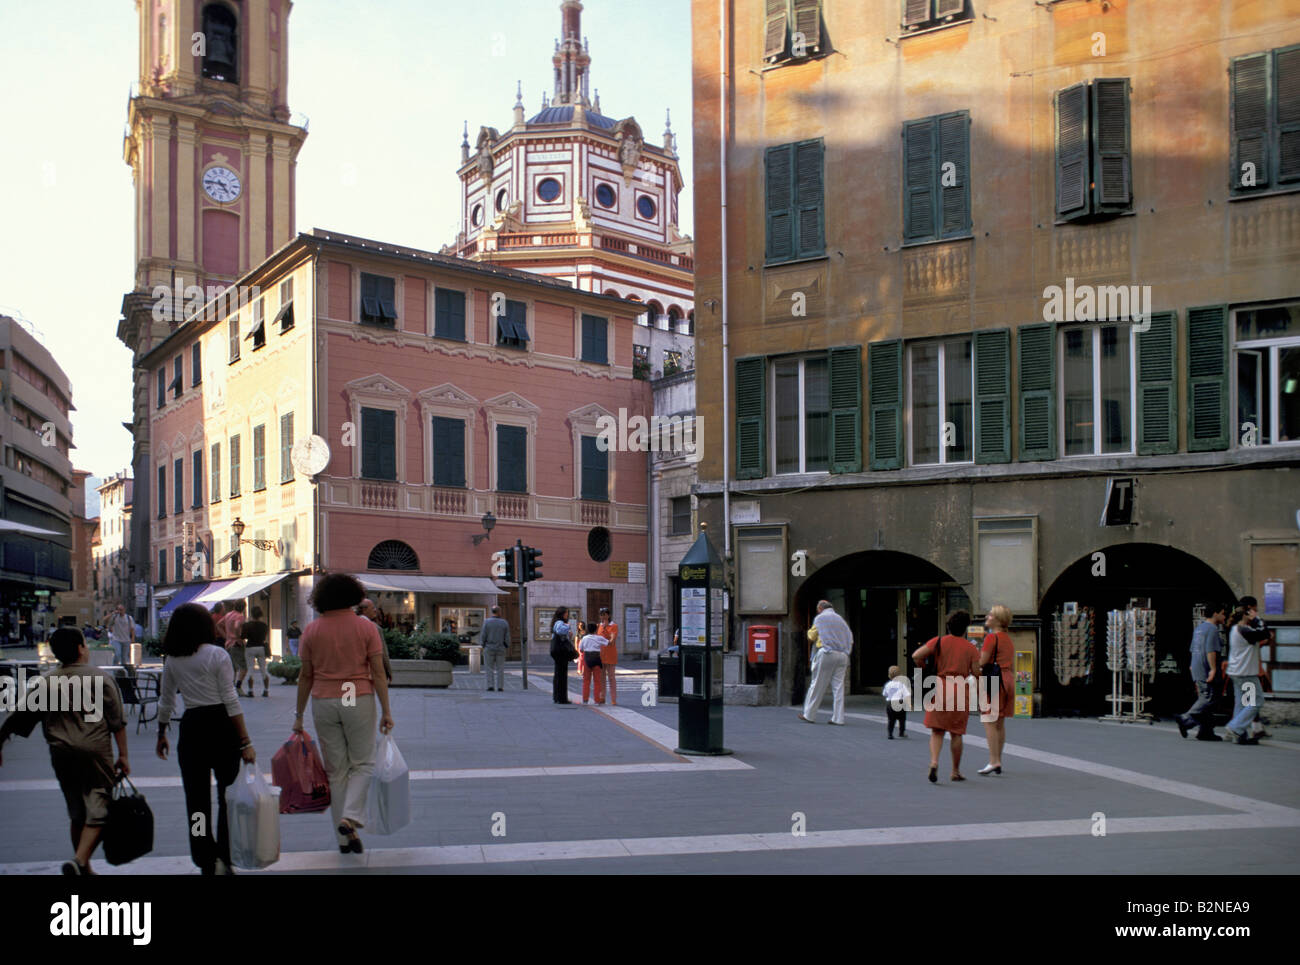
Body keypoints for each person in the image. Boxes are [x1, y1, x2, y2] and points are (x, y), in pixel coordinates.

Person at [0, 627, 128, 876]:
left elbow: (18, 717)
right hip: (95, 753)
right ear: (81, 648)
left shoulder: (46, 681)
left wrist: (0, 742)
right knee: (100, 809)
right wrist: (123, 755)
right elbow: (117, 722)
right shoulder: (100, 678)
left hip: (61, 754)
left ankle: (85, 869)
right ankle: (80, 861)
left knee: (77, 810)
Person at [296, 574, 394, 855]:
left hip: (323, 700)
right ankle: (350, 817)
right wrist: (386, 710)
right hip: (355, 694)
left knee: (336, 771)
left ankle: (343, 840)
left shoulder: (312, 630)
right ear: (353, 595)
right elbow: (377, 672)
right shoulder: (365, 628)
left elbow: (305, 675)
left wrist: (299, 715)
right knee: (363, 763)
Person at [156, 603, 254, 875]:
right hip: (222, 727)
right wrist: (245, 741)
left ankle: (204, 857)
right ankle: (226, 853)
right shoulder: (217, 655)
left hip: (192, 728)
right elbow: (230, 698)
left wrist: (161, 732)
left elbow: (166, 700)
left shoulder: (173, 659)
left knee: (196, 800)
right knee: (227, 796)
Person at [911, 610, 980, 784]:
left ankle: (934, 762)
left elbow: (916, 655)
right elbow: (977, 672)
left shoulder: (939, 641)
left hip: (940, 686)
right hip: (959, 690)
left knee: (937, 730)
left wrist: (924, 666)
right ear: (965, 629)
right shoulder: (971, 648)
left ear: (948, 626)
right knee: (956, 733)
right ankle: (955, 771)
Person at [1175, 603, 1227, 741]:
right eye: (1223, 613)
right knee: (1208, 697)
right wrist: (1213, 669)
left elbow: (1194, 649)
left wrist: (1192, 666)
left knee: (1207, 697)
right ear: (1215, 613)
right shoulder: (1212, 630)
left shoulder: (1199, 628)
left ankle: (1205, 730)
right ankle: (1186, 718)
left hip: (1197, 666)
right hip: (1206, 668)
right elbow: (1211, 651)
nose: (1224, 616)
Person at [798, 600, 853, 725]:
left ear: (820, 608)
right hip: (843, 655)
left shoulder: (820, 618)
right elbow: (850, 637)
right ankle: (838, 718)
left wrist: (808, 632)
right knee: (838, 687)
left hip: (827, 652)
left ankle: (809, 715)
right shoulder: (841, 620)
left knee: (817, 684)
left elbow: (812, 636)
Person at [978, 605, 1016, 775]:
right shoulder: (1007, 639)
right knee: (999, 723)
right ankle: (998, 759)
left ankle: (994, 761)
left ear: (998, 620)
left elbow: (982, 661)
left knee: (988, 720)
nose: (987, 616)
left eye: (991, 615)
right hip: (1007, 678)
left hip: (994, 679)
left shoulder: (991, 638)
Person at [1225, 602, 1268, 745]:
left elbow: (1259, 637)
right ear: (1246, 614)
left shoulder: (1237, 629)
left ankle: (1240, 735)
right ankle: (1235, 727)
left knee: (1242, 703)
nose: (1255, 614)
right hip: (1245, 673)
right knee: (1257, 701)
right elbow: (1264, 633)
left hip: (1237, 672)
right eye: (1253, 612)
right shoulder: (1244, 630)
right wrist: (1258, 619)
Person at [357, 598, 393, 683]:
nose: (375, 610)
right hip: (370, 672)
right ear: (364, 610)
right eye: (372, 608)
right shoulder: (375, 628)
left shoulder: (350, 625)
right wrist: (388, 671)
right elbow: (383, 652)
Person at [241, 606, 271, 698]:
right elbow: (265, 637)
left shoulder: (246, 625)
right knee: (263, 669)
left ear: (251, 614)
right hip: (261, 647)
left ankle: (251, 691)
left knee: (250, 669)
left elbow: (243, 636)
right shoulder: (264, 625)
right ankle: (266, 690)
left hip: (250, 647)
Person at [480, 605, 510, 692]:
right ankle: (500, 686)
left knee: (489, 668)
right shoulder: (504, 622)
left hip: (489, 647)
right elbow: (507, 637)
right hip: (500, 648)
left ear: (492, 612)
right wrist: (506, 645)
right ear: (499, 612)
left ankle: (490, 685)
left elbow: (483, 635)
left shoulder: (487, 622)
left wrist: (483, 644)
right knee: (500, 668)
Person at [550, 607, 576, 704]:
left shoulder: (556, 622)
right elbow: (560, 630)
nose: (567, 615)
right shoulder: (560, 623)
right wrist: (568, 626)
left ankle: (557, 697)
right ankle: (562, 698)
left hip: (557, 651)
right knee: (562, 675)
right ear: (562, 614)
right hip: (561, 652)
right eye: (566, 613)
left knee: (558, 674)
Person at [221, 600, 248, 694]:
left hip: (228, 643)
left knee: (232, 667)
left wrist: (226, 636)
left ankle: (230, 687)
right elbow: (237, 626)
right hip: (236, 644)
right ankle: (238, 687)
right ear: (243, 607)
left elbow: (219, 625)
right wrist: (238, 637)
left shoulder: (228, 615)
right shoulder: (240, 616)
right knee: (243, 667)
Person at [578, 622, 606, 704]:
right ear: (596, 629)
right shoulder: (599, 638)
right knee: (597, 681)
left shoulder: (584, 638)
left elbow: (581, 649)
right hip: (597, 658)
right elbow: (608, 642)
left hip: (587, 659)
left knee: (586, 680)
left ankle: (585, 699)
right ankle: (597, 700)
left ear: (587, 629)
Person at [597, 607, 619, 706]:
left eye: (605, 614)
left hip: (611, 654)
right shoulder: (599, 626)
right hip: (601, 654)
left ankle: (613, 699)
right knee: (601, 678)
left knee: (611, 677)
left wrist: (605, 628)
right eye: (601, 615)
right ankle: (602, 697)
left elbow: (612, 641)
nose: (603, 617)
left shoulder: (613, 626)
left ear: (608, 615)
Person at [882, 665, 911, 739]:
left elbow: (884, 694)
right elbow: (907, 694)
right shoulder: (901, 685)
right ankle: (901, 732)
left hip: (890, 703)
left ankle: (890, 734)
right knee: (902, 719)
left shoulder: (888, 684)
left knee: (891, 720)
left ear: (889, 675)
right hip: (900, 702)